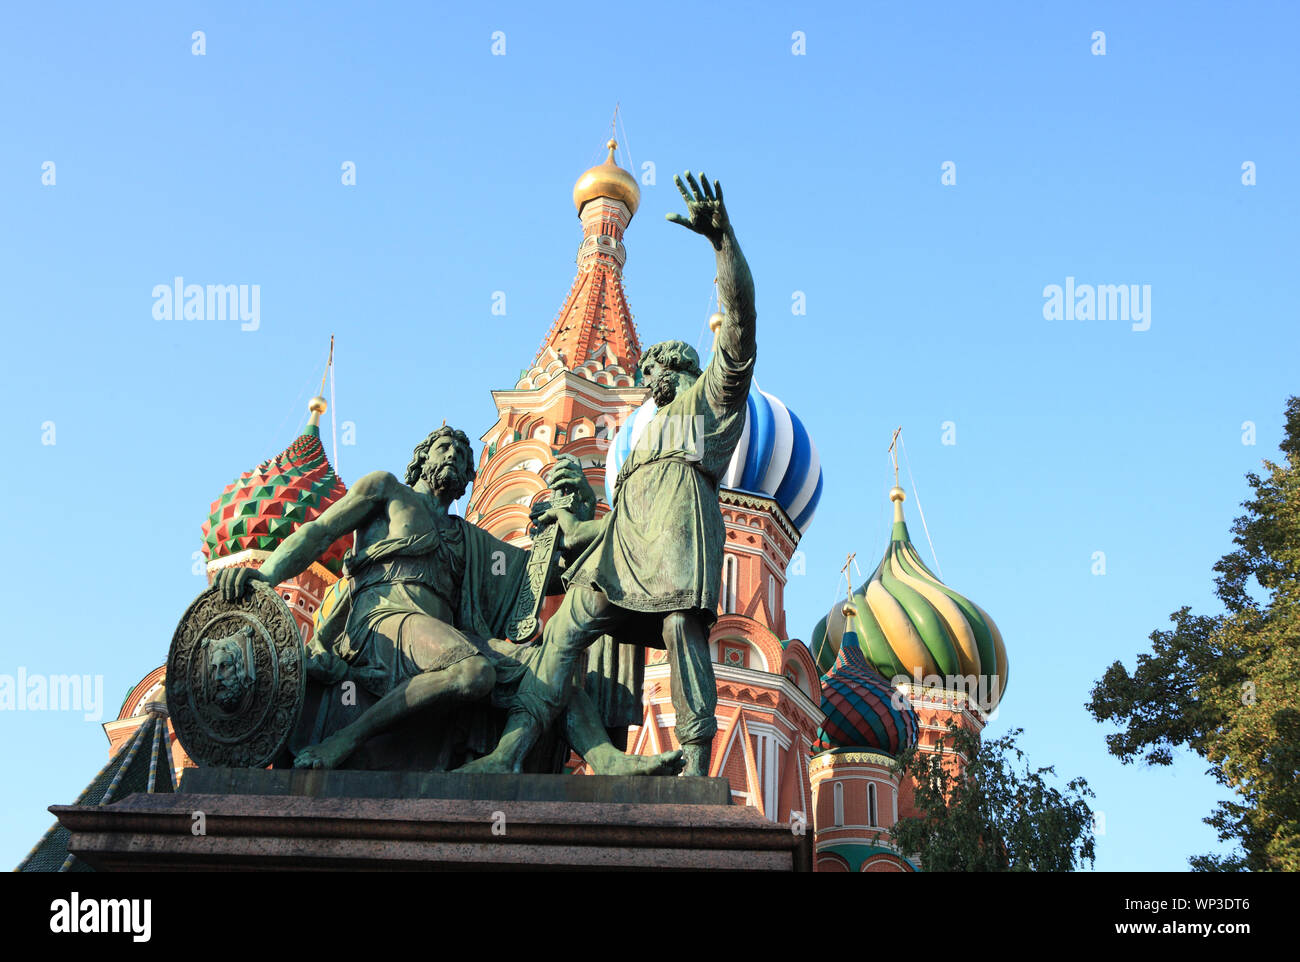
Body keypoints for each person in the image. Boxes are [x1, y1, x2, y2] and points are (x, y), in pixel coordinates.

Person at [462, 170, 756, 776]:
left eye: (652, 370)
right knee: (564, 631)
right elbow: (619, 519)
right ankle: (510, 752)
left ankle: (698, 764)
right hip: (623, 548)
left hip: (678, 539)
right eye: (643, 369)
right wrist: (573, 525)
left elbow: (741, 324)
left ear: (675, 371)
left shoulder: (708, 401)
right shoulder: (642, 438)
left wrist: (722, 243)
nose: (645, 378)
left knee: (682, 631)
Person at [216, 427, 680, 774]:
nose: (455, 457)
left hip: (443, 633)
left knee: (549, 669)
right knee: (473, 671)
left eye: (463, 453)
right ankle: (342, 742)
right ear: (421, 460)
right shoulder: (386, 491)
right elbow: (319, 532)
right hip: (381, 620)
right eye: (445, 448)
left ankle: (607, 760)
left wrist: (574, 517)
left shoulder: (467, 538)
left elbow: (542, 580)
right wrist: (265, 573)